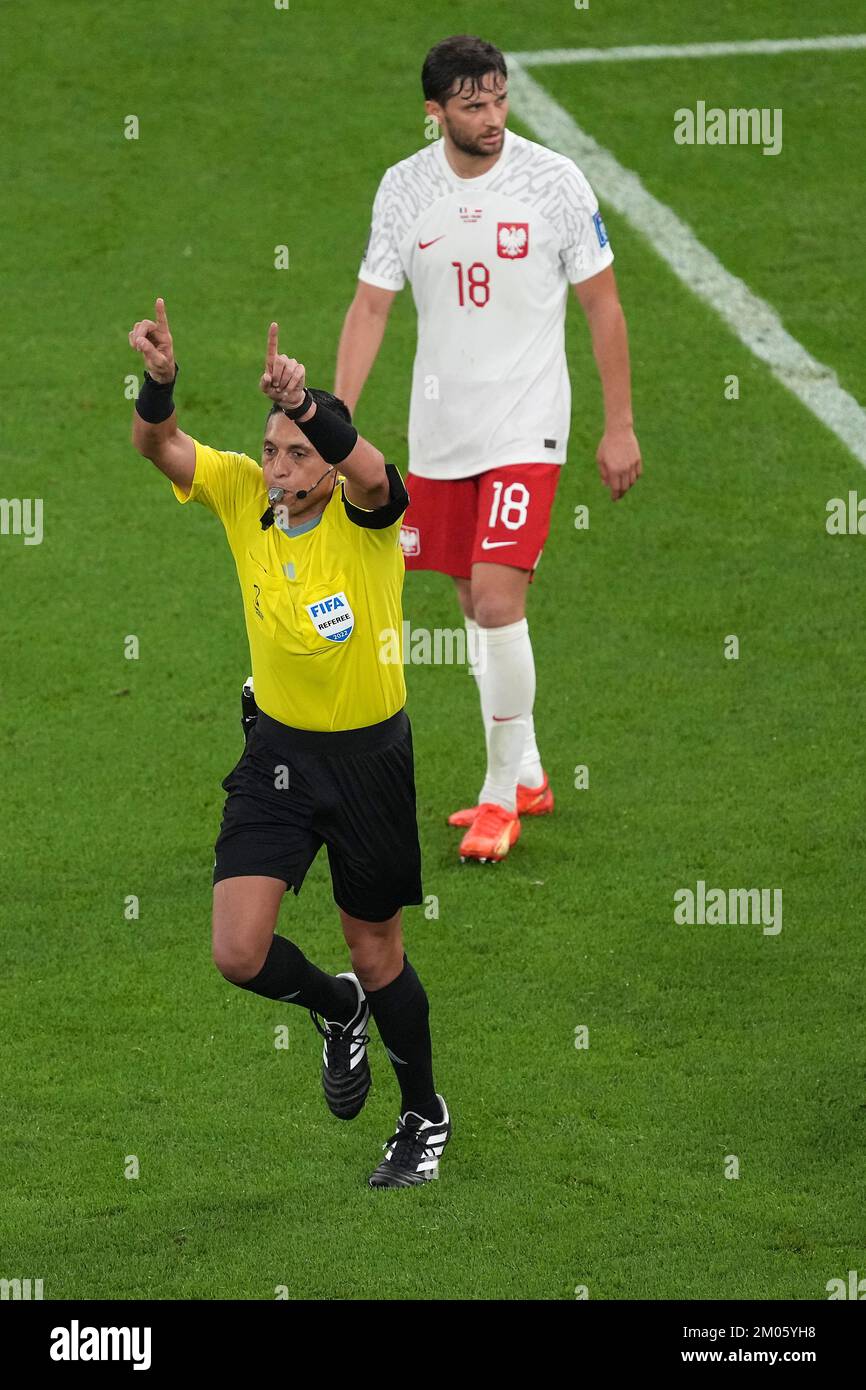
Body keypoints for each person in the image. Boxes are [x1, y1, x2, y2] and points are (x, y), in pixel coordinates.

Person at [128, 298, 451, 1188]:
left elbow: (378, 470)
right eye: (271, 449)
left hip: (369, 762)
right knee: (236, 951)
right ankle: (332, 1008)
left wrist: (311, 406)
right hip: (276, 752)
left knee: (375, 949)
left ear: (326, 465)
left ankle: (423, 1112)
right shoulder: (241, 495)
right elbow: (158, 446)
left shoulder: (366, 517)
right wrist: (160, 385)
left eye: (296, 453)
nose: (277, 466)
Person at [335, 34, 642, 864]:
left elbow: (603, 307)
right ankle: (532, 769)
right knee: (473, 604)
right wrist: (335, 422)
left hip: (526, 426)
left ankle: (499, 799)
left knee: (501, 601)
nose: (493, 117)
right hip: (442, 434)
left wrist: (619, 424)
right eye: (473, 105)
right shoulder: (404, 190)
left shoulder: (553, 182)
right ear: (434, 112)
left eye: (500, 98)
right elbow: (370, 309)